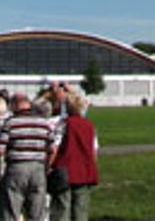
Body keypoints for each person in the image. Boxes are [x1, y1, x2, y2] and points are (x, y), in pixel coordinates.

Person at [0, 92, 54, 221]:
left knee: (12, 209)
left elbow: (0, 149)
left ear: (15, 105)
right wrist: (47, 166)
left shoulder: (10, 123)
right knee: (37, 211)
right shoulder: (44, 123)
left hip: (16, 167)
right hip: (38, 168)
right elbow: (52, 149)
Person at [49, 93, 98, 221]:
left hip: (65, 169)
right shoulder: (89, 125)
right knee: (81, 209)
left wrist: (48, 166)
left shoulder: (63, 124)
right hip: (84, 171)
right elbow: (93, 150)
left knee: (61, 208)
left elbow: (55, 147)